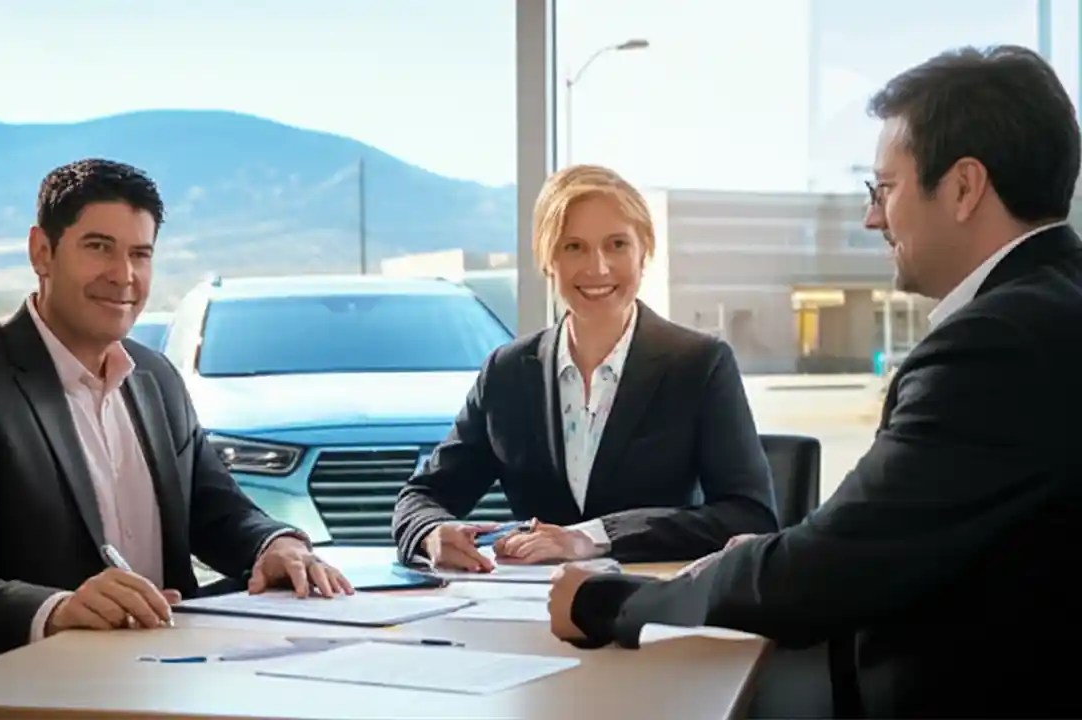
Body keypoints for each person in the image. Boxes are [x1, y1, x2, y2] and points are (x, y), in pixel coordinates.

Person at [549, 45, 1082, 718]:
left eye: (884, 189)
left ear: (964, 187)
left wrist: (611, 601)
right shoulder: (1050, 309)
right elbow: (886, 528)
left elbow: (835, 569)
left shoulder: (998, 346)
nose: (872, 217)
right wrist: (777, 556)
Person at [0, 158, 352, 677]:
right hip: (39, 686)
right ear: (41, 252)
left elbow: (218, 512)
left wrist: (277, 544)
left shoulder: (155, 377)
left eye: (140, 254)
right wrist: (59, 610)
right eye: (98, 248)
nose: (124, 275)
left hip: (172, 673)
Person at [392, 164, 777, 572]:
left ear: (644, 252)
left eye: (616, 245)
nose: (597, 268)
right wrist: (431, 531)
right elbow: (422, 497)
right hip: (528, 608)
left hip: (654, 605)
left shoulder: (699, 364)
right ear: (546, 260)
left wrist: (592, 537)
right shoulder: (507, 374)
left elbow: (748, 515)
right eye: (573, 247)